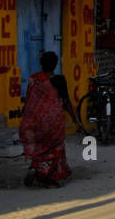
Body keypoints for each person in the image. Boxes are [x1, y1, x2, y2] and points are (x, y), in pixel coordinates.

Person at [19, 51, 75, 189]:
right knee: (54, 149)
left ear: (41, 64)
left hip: (36, 120)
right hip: (54, 122)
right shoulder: (60, 80)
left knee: (40, 146)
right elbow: (67, 102)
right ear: (55, 65)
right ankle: (46, 178)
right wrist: (76, 120)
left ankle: (35, 167)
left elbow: (30, 100)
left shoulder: (34, 79)